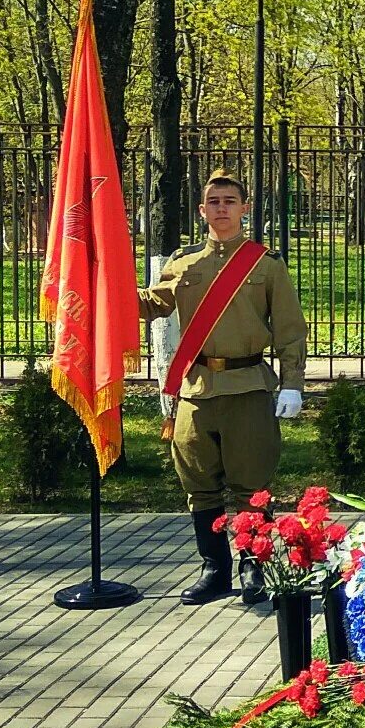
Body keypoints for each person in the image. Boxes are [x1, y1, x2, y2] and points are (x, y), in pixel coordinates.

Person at [139, 171, 307, 605]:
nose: (222, 208)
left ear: (244, 207)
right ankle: (214, 567)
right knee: (199, 483)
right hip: (195, 390)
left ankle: (253, 564)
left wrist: (292, 385)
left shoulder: (265, 265)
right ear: (202, 210)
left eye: (230, 200)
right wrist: (104, 280)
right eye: (213, 201)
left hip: (248, 385)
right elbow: (150, 305)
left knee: (250, 485)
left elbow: (289, 330)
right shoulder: (184, 263)